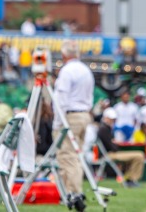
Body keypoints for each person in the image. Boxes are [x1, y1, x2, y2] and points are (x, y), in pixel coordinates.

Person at [52, 40, 95, 198]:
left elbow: (61, 99)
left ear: (64, 55)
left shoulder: (67, 71)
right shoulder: (85, 70)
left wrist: (57, 122)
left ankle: (73, 193)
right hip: (84, 114)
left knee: (67, 155)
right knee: (76, 155)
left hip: (71, 116)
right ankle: (73, 190)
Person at [97, 108, 145, 187]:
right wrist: (116, 144)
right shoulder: (104, 129)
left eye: (113, 119)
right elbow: (112, 147)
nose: (112, 120)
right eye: (111, 119)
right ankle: (131, 179)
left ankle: (130, 178)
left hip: (110, 153)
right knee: (139, 155)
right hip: (109, 154)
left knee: (138, 155)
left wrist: (115, 143)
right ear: (105, 118)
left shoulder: (106, 128)